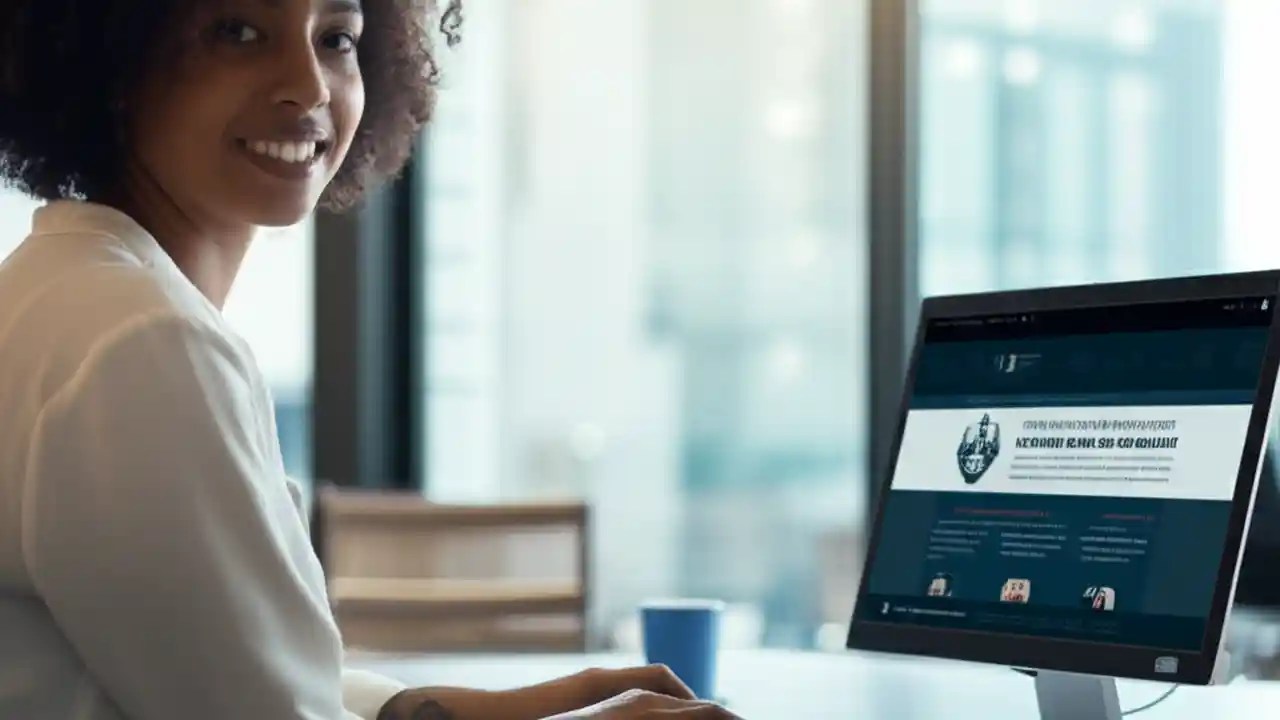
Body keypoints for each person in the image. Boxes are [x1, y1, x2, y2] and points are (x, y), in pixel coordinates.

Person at [0, 1, 741, 718]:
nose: (310, 84)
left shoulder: (60, 294)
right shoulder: (144, 344)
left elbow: (230, 666)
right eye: (238, 32)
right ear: (113, 64)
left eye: (338, 37)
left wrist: (434, 710)